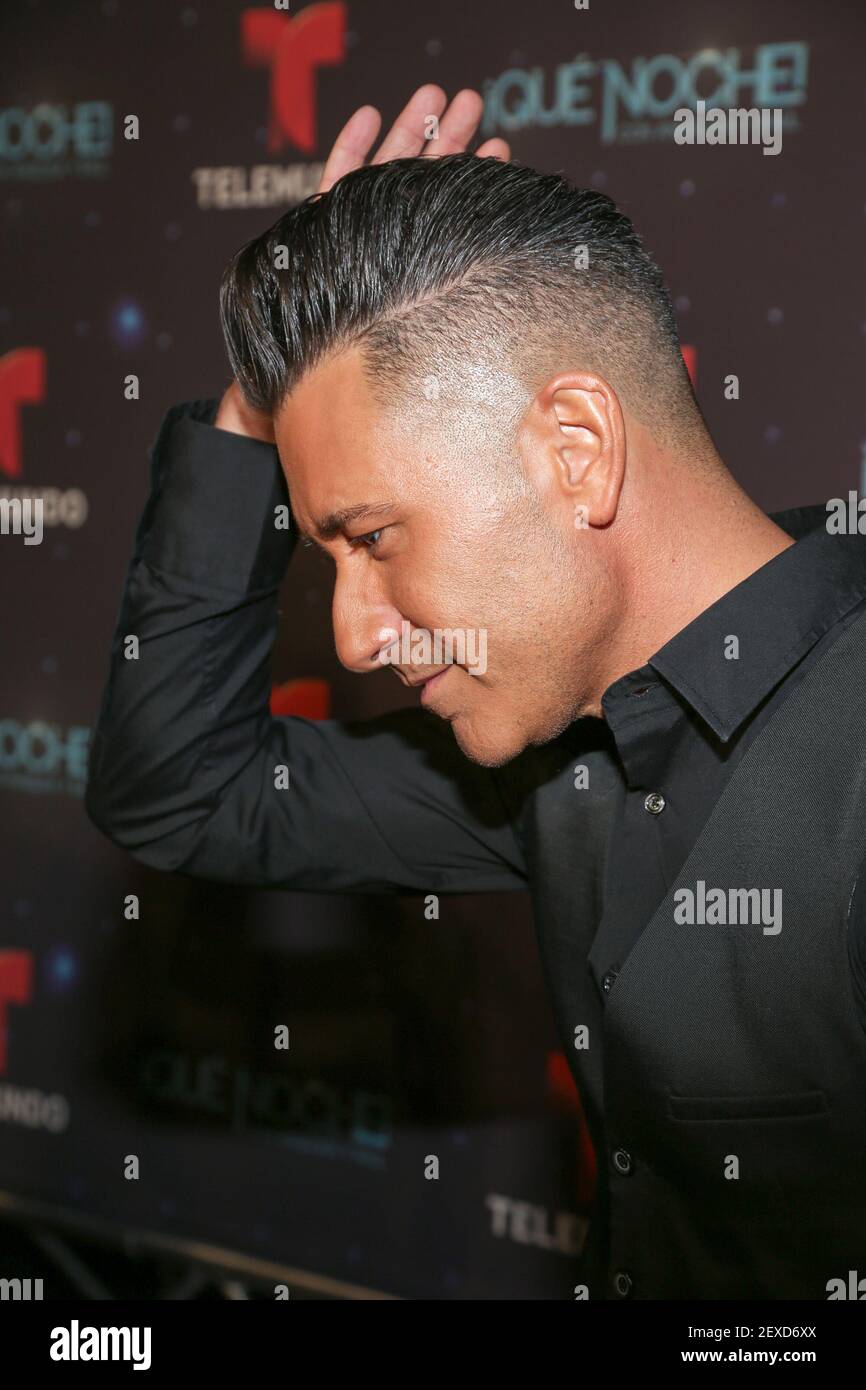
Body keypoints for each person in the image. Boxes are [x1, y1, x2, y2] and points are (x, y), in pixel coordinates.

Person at [85, 83, 866, 1300]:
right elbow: (184, 789)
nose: (352, 638)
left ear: (574, 450)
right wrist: (265, 398)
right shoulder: (554, 754)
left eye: (373, 537)